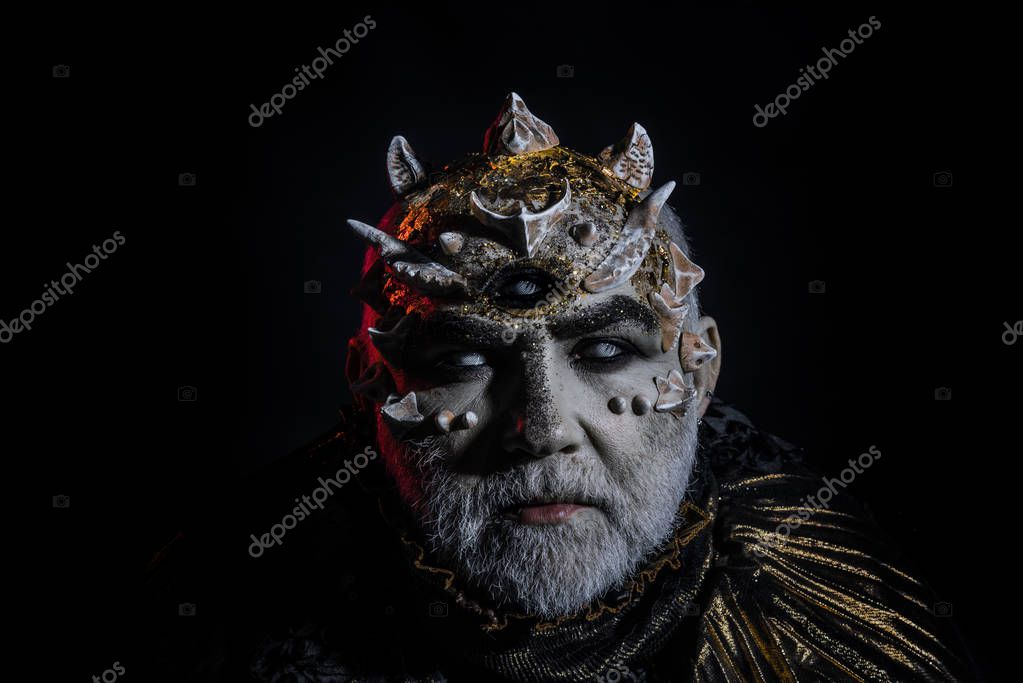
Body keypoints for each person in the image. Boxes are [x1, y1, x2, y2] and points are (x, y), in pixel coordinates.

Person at [151, 93, 973, 682]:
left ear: (699, 365)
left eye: (607, 348)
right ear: (372, 382)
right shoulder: (217, 620)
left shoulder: (833, 615)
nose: (542, 427)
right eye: (463, 361)